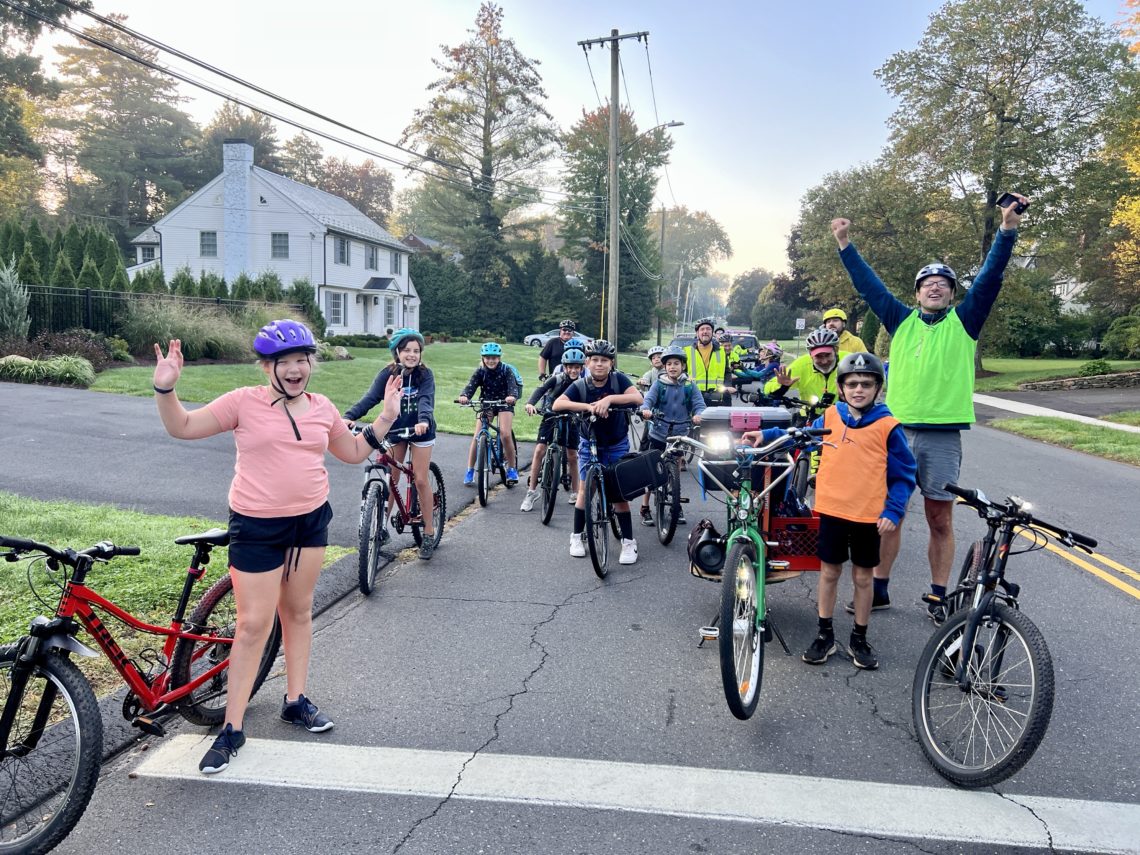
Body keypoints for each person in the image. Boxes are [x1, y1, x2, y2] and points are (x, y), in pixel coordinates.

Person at [153, 320, 402, 775]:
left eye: (301, 360)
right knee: (252, 626)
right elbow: (183, 427)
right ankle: (231, 728)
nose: (294, 369)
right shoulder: (242, 403)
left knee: (299, 612)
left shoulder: (321, 407)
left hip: (309, 522)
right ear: (266, 366)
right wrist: (165, 390)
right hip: (256, 526)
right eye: (283, 362)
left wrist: (385, 416)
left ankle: (294, 700)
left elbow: (349, 452)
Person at [830, 193, 1028, 623]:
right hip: (896, 432)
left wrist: (1007, 231)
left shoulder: (965, 321)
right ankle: (879, 589)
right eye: (927, 283)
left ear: (952, 293)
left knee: (940, 518)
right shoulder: (899, 319)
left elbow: (991, 277)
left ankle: (939, 596)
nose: (935, 286)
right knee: (889, 515)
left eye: (943, 283)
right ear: (917, 292)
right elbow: (869, 285)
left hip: (941, 436)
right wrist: (845, 244)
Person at [749, 353, 916, 670]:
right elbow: (802, 436)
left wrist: (893, 512)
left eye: (866, 384)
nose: (858, 390)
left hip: (869, 516)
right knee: (829, 573)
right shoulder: (831, 416)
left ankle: (859, 637)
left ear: (878, 388)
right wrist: (767, 436)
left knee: (863, 578)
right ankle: (824, 634)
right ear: (841, 388)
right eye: (852, 384)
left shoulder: (888, 426)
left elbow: (904, 476)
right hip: (833, 511)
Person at [344, 328, 439, 560]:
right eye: (407, 350)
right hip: (395, 430)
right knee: (391, 477)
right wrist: (349, 416)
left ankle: (428, 531)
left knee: (420, 478)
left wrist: (423, 421)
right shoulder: (388, 373)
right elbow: (371, 398)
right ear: (397, 351)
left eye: (416, 351)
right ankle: (380, 528)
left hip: (420, 431)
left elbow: (426, 400)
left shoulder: (424, 375)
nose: (412, 355)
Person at [552, 339, 644, 564]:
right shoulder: (580, 385)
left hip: (616, 442)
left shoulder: (618, 380)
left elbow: (637, 398)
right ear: (587, 362)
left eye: (604, 360)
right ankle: (576, 536)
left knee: (618, 493)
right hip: (589, 442)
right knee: (585, 490)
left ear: (611, 363)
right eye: (594, 360)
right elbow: (558, 404)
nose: (599, 364)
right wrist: (588, 407)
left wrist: (610, 399)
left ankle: (629, 542)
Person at [637, 346, 705, 526]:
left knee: (675, 469)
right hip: (658, 432)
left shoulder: (690, 386)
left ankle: (676, 503)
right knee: (652, 471)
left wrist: (699, 414)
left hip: (680, 434)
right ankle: (645, 508)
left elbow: (699, 404)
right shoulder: (659, 384)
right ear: (664, 367)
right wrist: (645, 410)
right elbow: (648, 401)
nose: (672, 367)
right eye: (669, 364)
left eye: (676, 363)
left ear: (683, 366)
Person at [519, 347, 585, 511]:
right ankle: (532, 491)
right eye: (570, 366)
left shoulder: (583, 384)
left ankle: (576, 492)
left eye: (577, 367)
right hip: (550, 415)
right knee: (540, 450)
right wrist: (530, 403)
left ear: (582, 368)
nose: (573, 370)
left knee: (572, 456)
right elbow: (540, 390)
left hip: (572, 419)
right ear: (564, 367)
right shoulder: (556, 379)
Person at [458, 341, 520, 486]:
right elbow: (471, 386)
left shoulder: (506, 370)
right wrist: (464, 396)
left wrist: (511, 396)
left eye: (494, 357)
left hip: (505, 404)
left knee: (505, 434)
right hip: (487, 404)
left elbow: (513, 387)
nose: (491, 360)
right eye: (488, 357)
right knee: (477, 436)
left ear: (499, 358)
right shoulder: (480, 371)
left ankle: (511, 468)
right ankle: (470, 470)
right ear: (483, 358)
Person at [765, 326, 847, 402]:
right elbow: (767, 389)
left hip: (843, 414)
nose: (824, 361)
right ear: (810, 354)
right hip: (809, 414)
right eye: (818, 356)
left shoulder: (848, 360)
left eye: (828, 355)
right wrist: (782, 386)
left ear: (836, 350)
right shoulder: (801, 364)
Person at [683, 317, 730, 406]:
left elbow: (727, 372)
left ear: (712, 333)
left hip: (717, 397)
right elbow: (682, 374)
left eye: (708, 329)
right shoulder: (687, 352)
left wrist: (728, 386)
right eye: (702, 329)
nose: (705, 331)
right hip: (694, 396)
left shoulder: (721, 351)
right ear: (697, 333)